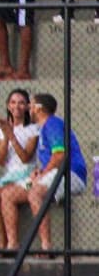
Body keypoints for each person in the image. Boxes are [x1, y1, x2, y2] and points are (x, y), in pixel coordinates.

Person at [12, 93, 88, 253]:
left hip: (70, 175)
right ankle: (11, 245)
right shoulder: (43, 128)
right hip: (52, 174)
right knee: (8, 195)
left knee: (34, 193)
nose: (28, 109)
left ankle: (46, 246)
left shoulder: (52, 124)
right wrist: (40, 172)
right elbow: (51, 161)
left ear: (39, 109)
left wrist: (42, 174)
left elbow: (60, 155)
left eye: (31, 105)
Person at [0, 88, 40, 253]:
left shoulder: (33, 129)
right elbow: (1, 161)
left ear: (27, 107)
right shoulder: (3, 129)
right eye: (13, 102)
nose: (16, 106)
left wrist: (11, 135)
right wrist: (5, 136)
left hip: (26, 173)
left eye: (21, 102)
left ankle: (6, 243)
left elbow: (26, 157)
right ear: (8, 105)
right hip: (9, 175)